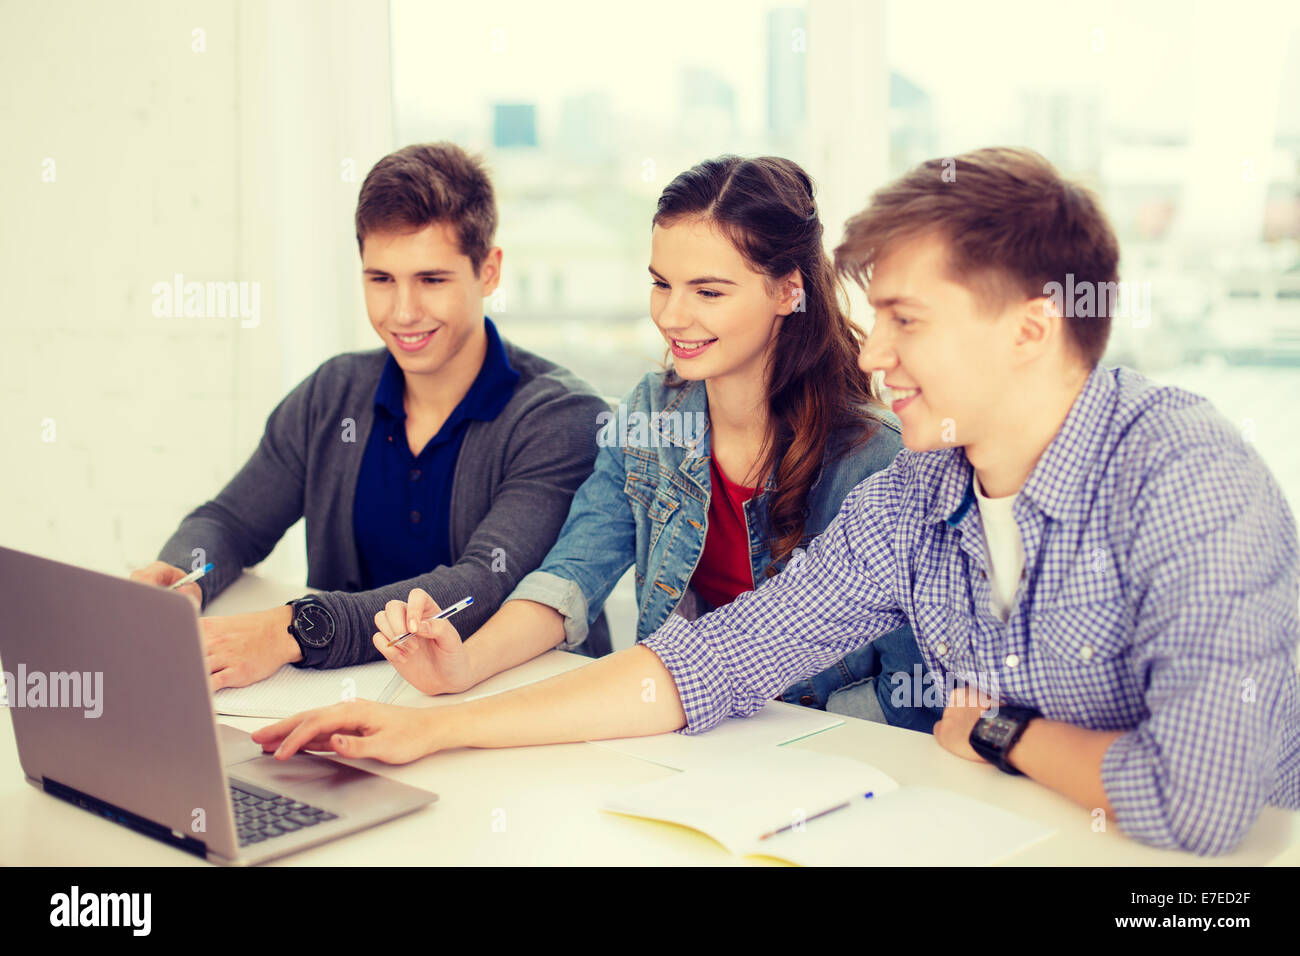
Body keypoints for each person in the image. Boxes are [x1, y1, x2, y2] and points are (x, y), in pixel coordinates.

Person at [254, 147, 1300, 856]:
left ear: (1030, 327)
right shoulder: (918, 496)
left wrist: (998, 729)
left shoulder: (1186, 478)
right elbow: (706, 660)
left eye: (904, 319)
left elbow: (1200, 802)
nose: (875, 352)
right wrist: (444, 731)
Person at [361, 155, 937, 730]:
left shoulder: (878, 458)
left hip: (821, 755)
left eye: (708, 292)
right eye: (662, 284)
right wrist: (465, 666)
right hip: (681, 724)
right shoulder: (651, 413)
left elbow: (913, 695)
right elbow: (575, 571)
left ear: (789, 291)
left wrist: (768, 738)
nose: (673, 315)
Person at [130, 142, 610, 689]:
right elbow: (231, 524)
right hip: (346, 690)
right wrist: (185, 577)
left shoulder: (560, 418)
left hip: (503, 709)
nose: (403, 312)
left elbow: (479, 585)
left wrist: (294, 629)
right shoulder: (333, 393)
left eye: (432, 280)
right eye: (381, 279)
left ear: (490, 271)